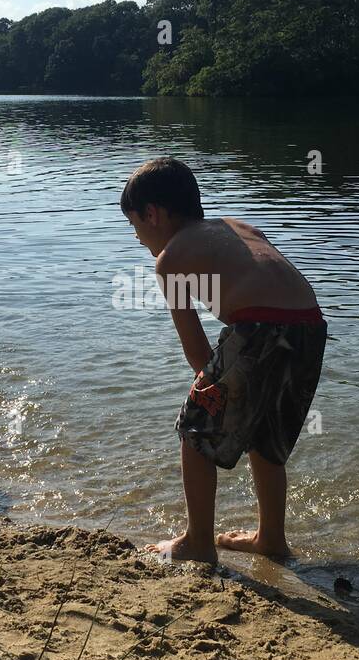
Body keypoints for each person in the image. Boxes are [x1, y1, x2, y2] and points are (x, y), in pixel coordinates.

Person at [121, 157, 326, 562]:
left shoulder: (171, 258)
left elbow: (197, 349)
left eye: (135, 226)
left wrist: (211, 397)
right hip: (311, 326)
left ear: (153, 213)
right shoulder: (238, 228)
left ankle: (197, 543)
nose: (138, 239)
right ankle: (271, 540)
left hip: (262, 328)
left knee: (194, 431)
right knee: (266, 438)